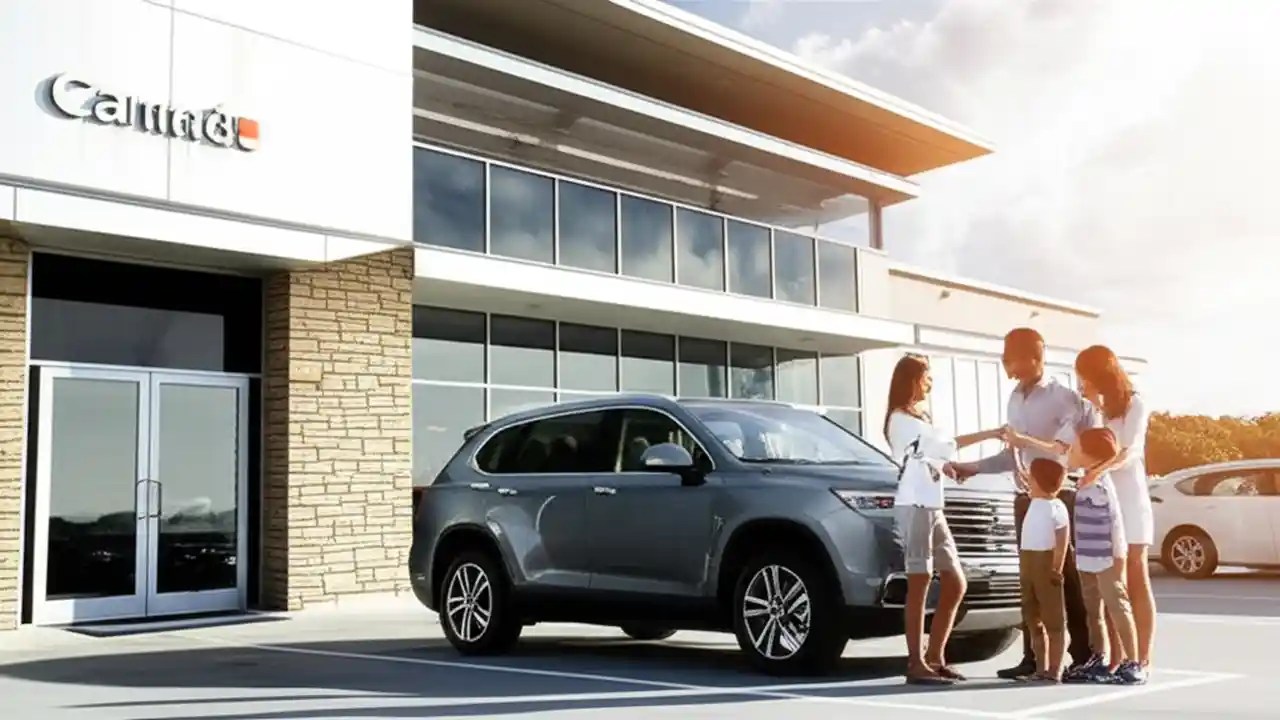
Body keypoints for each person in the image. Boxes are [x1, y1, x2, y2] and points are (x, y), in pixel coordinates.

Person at [950, 328, 1095, 679]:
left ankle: (1081, 656)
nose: (1005, 363)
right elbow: (1013, 452)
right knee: (1030, 582)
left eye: (1009, 356)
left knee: (1063, 578)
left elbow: (1063, 449)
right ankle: (1033, 658)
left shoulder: (1063, 397)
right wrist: (974, 467)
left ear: (1033, 357)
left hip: (1059, 496)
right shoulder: (1015, 398)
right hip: (1024, 500)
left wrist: (1022, 440)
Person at [885, 354, 1003, 685]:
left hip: (932, 505)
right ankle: (915, 663)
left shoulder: (920, 418)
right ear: (912, 380)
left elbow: (936, 454)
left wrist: (948, 464)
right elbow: (940, 447)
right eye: (927, 378)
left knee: (955, 581)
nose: (930, 384)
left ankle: (935, 657)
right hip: (915, 505)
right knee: (919, 583)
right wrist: (986, 436)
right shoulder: (900, 419)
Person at [1008, 425, 1144, 685]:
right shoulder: (1085, 480)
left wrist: (1116, 558)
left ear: (1091, 455)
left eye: (1077, 446)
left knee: (1117, 606)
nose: (1071, 450)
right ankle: (1099, 658)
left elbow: (1113, 524)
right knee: (1094, 611)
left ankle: (1132, 661)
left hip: (1106, 557)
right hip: (1088, 559)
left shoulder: (1100, 483)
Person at [1074, 345, 1157, 672]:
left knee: (1136, 575)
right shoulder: (1097, 411)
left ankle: (1142, 658)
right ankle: (1116, 658)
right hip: (1104, 500)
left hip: (1131, 499)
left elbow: (1131, 450)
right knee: (1110, 579)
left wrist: (1100, 470)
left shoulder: (1135, 403)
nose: (1083, 384)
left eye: (1086, 377)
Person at [1017, 457, 1072, 683]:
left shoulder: (1055, 506)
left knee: (1054, 621)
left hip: (1045, 563)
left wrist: (1056, 568)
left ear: (1039, 481)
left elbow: (1062, 538)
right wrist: (1015, 452)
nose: (1027, 480)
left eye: (1031, 477)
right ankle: (1040, 668)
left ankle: (1054, 669)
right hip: (1027, 562)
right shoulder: (1035, 501)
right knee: (1032, 618)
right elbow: (1020, 473)